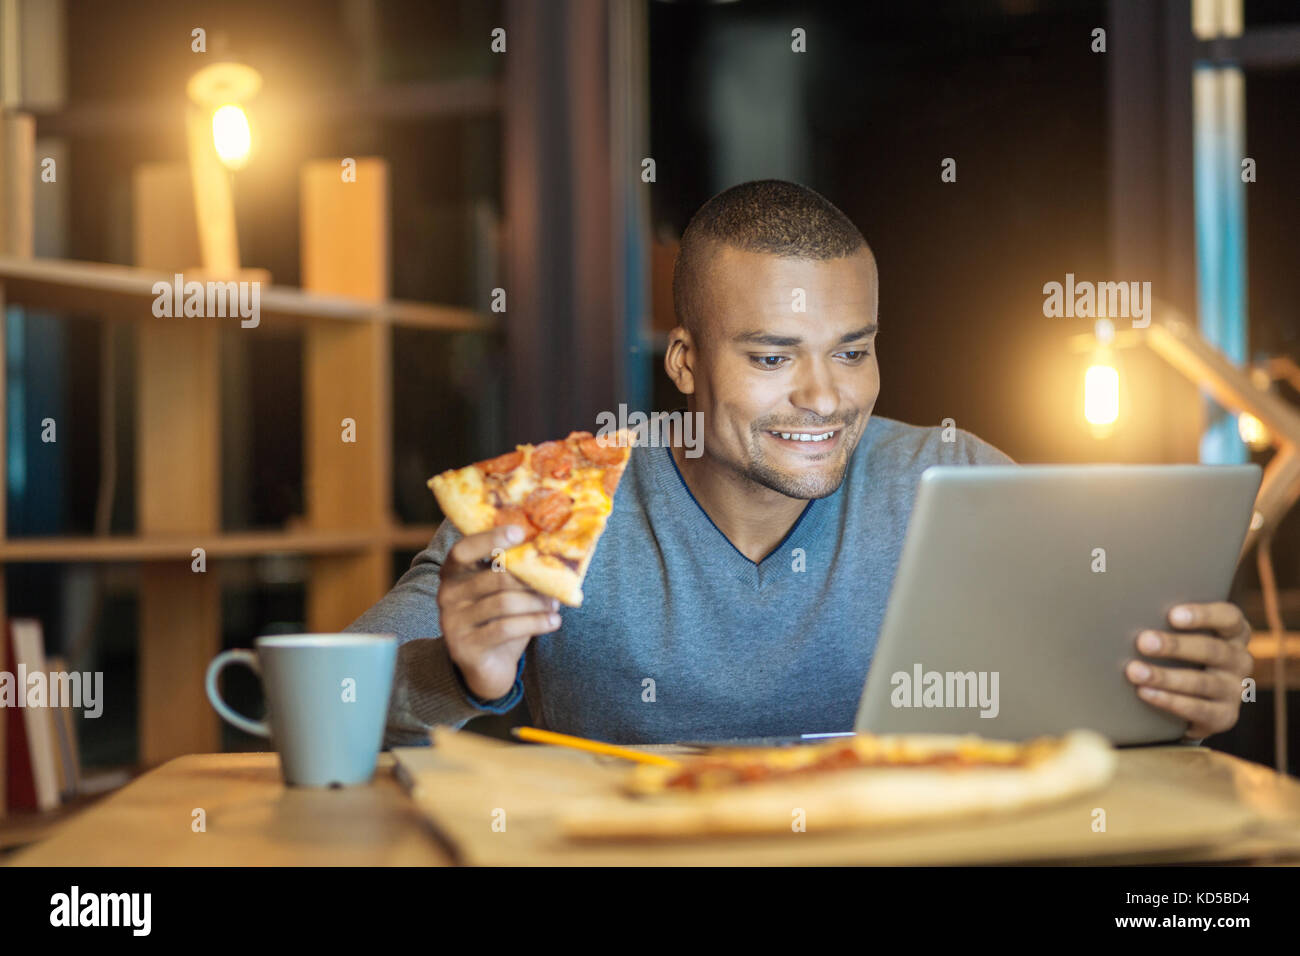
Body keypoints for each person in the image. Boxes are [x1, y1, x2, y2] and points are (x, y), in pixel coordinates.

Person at [347, 179, 1253, 748]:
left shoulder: (957, 478)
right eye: (773, 358)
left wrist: (1189, 700)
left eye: (851, 351)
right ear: (686, 363)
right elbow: (314, 702)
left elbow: (1096, 714)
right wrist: (458, 675)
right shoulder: (551, 499)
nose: (825, 398)